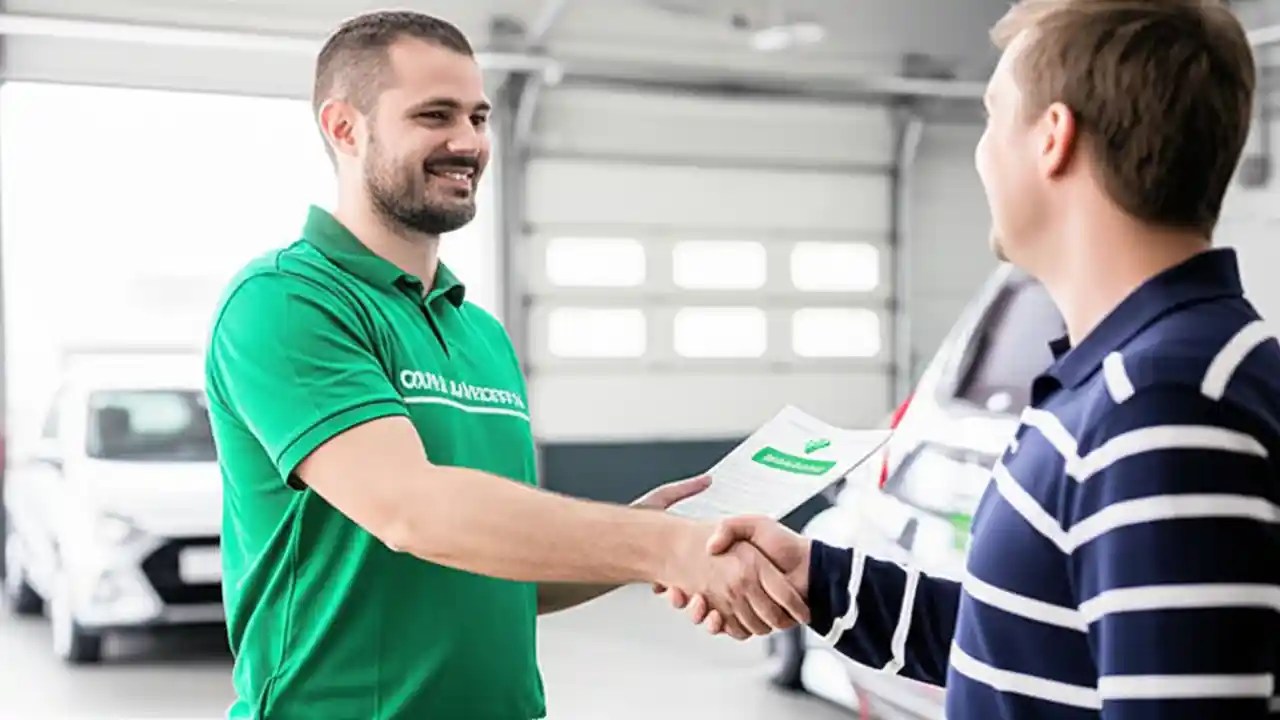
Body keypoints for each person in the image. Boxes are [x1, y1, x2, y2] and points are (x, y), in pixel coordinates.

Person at [671, 1, 1280, 718]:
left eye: (993, 115)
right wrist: (820, 582)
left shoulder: (1166, 408)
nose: (981, 152)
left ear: (1053, 137)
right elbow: (1027, 641)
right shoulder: (1123, 383)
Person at [203, 10, 806, 720]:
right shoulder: (286, 301)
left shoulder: (479, 334)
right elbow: (414, 511)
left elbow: (503, 574)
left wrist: (644, 534)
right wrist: (660, 547)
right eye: (434, 115)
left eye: (479, 117)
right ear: (345, 127)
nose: (468, 143)